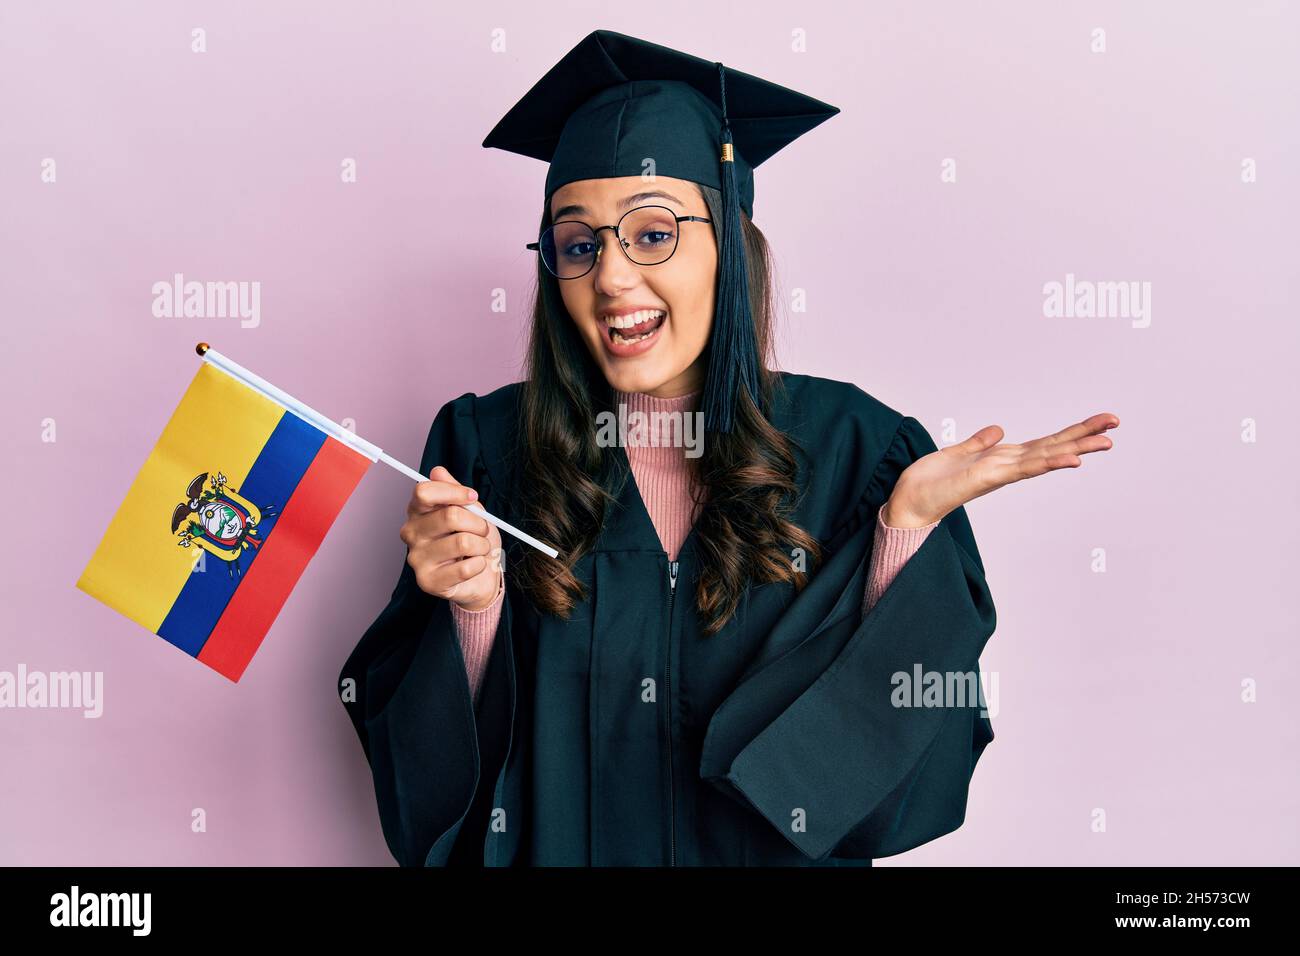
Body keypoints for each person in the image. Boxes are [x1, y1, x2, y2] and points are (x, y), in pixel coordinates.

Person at [337, 30, 1119, 867]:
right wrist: (472, 607)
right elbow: (429, 797)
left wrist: (900, 535)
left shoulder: (859, 451)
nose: (610, 277)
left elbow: (905, 779)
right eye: (578, 244)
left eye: (652, 233)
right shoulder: (486, 453)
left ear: (730, 248)